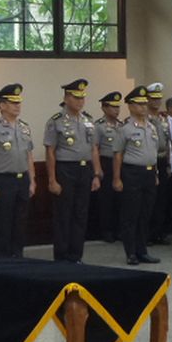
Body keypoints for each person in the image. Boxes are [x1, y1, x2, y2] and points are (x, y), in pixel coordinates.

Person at [44, 78, 102, 263]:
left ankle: (76, 256)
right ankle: (62, 257)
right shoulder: (56, 121)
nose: (80, 101)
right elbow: (50, 151)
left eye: (82, 97)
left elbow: (93, 149)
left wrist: (96, 174)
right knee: (63, 215)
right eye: (76, 97)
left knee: (80, 214)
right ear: (66, 98)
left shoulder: (88, 120)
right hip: (65, 170)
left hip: (85, 170)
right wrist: (52, 179)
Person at [0, 83, 34, 258]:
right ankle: (3, 260)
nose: (17, 106)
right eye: (13, 102)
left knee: (20, 222)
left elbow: (29, 156)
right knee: (3, 222)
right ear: (2, 105)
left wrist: (32, 180)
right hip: (4, 180)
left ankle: (18, 257)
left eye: (19, 102)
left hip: (22, 179)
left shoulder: (24, 127)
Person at [113, 86, 161, 265]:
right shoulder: (125, 129)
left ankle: (142, 250)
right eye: (139, 104)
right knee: (131, 214)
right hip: (132, 173)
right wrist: (117, 178)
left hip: (149, 172)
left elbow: (153, 153)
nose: (143, 107)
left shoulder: (151, 127)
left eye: (145, 104)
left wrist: (155, 173)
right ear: (130, 106)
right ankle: (131, 252)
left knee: (145, 213)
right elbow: (118, 154)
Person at [147, 82, 172, 245]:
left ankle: (159, 232)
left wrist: (169, 164)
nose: (157, 102)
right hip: (150, 160)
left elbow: (169, 142)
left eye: (159, 99)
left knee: (162, 199)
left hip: (163, 159)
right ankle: (148, 233)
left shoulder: (164, 119)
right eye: (153, 99)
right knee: (150, 199)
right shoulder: (145, 119)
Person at [93, 91, 124, 243]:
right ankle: (107, 230)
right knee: (106, 199)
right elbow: (95, 148)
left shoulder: (122, 126)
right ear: (104, 108)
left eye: (118, 107)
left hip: (121, 164)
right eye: (112, 107)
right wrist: (98, 169)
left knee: (120, 199)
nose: (116, 110)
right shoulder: (99, 126)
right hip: (106, 162)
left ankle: (118, 229)